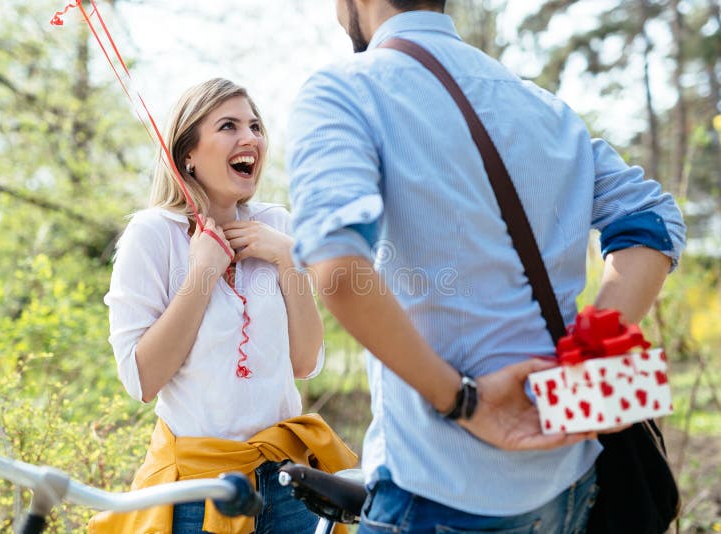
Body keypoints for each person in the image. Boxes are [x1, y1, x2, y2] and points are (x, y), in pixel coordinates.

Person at [286, 1, 686, 533]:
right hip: (569, 477)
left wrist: (464, 401)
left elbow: (336, 267)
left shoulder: (345, 90)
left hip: (436, 487)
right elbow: (651, 214)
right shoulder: (542, 106)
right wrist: (586, 355)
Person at [92, 78, 357, 534]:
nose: (250, 138)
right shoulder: (151, 235)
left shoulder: (277, 224)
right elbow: (142, 379)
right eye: (229, 126)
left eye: (255, 126)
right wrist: (202, 274)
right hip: (200, 491)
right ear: (187, 154)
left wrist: (288, 260)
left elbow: (306, 361)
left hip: (288, 482)